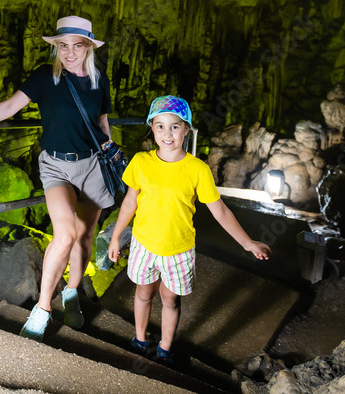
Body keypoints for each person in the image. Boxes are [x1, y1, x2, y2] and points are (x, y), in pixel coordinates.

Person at [0, 15, 114, 341]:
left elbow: (102, 122)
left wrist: (111, 153)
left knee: (86, 237)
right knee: (65, 235)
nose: (70, 52)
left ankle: (72, 291)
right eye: (63, 46)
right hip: (57, 167)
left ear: (89, 47)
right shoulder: (46, 77)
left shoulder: (98, 81)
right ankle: (43, 309)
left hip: (92, 165)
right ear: (57, 48)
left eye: (77, 46)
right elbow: (9, 107)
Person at [107, 95, 271, 366]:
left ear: (186, 130)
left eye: (174, 126)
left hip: (178, 250)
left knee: (170, 301)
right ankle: (140, 339)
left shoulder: (198, 169)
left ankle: (165, 347)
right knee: (143, 294)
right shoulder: (141, 162)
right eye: (160, 126)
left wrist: (248, 243)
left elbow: (220, 211)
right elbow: (129, 202)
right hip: (144, 244)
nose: (167, 133)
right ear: (152, 128)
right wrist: (116, 237)